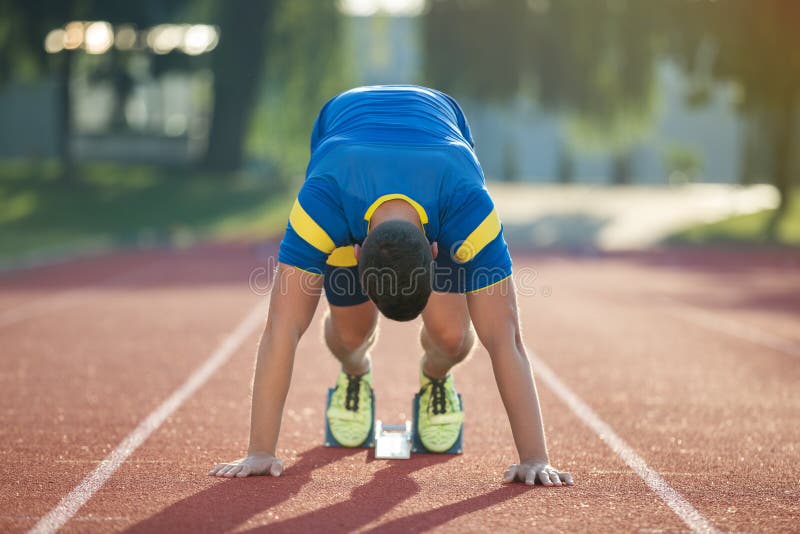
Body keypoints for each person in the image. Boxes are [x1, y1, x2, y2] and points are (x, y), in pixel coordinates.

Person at [210, 85, 573, 486]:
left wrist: (535, 457)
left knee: (452, 337)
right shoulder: (323, 204)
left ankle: (436, 379)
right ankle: (354, 370)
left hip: (440, 139)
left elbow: (506, 338)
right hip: (343, 131)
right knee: (351, 333)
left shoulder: (467, 208)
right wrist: (261, 450)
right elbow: (282, 327)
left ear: (437, 252)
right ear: (352, 251)